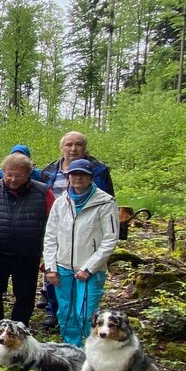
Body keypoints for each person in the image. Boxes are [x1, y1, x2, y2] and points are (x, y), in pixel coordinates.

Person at [0, 152, 54, 330]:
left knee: (24, 295)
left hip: (28, 254)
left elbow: (56, 222)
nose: (12, 179)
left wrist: (52, 253)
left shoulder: (43, 192)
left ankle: (19, 327)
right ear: (3, 172)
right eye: (9, 175)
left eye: (18, 175)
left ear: (28, 174)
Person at [39, 132, 116, 327]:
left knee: (86, 314)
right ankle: (70, 351)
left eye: (83, 175)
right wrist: (51, 267)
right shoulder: (59, 202)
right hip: (63, 265)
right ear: (68, 177)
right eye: (74, 175)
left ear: (91, 177)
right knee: (66, 313)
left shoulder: (105, 202)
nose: (78, 178)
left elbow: (110, 238)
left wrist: (90, 267)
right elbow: (50, 237)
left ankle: (88, 352)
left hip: (89, 267)